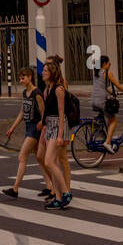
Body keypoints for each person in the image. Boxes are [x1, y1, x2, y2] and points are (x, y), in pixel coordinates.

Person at [1, 67, 45, 199]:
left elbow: (44, 111)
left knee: (22, 156)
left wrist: (42, 124)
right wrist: (12, 128)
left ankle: (15, 188)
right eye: (20, 78)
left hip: (35, 128)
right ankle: (51, 187)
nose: (21, 80)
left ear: (30, 77)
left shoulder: (37, 93)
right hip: (28, 127)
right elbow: (22, 112)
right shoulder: (25, 93)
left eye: (23, 77)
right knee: (40, 159)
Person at [36, 59, 71, 210]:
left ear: (51, 73)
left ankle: (66, 193)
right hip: (49, 126)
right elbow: (46, 113)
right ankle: (57, 197)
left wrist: (60, 135)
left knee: (49, 161)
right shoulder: (46, 90)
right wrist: (44, 130)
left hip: (58, 125)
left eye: (45, 71)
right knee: (53, 163)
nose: (42, 73)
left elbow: (62, 112)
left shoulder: (58, 89)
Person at [91, 55, 123, 152]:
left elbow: (103, 87)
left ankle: (109, 136)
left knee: (108, 117)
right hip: (102, 101)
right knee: (114, 120)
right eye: (109, 63)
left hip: (94, 101)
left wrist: (113, 93)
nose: (110, 65)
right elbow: (118, 85)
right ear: (105, 64)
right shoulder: (108, 73)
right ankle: (107, 142)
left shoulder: (96, 73)